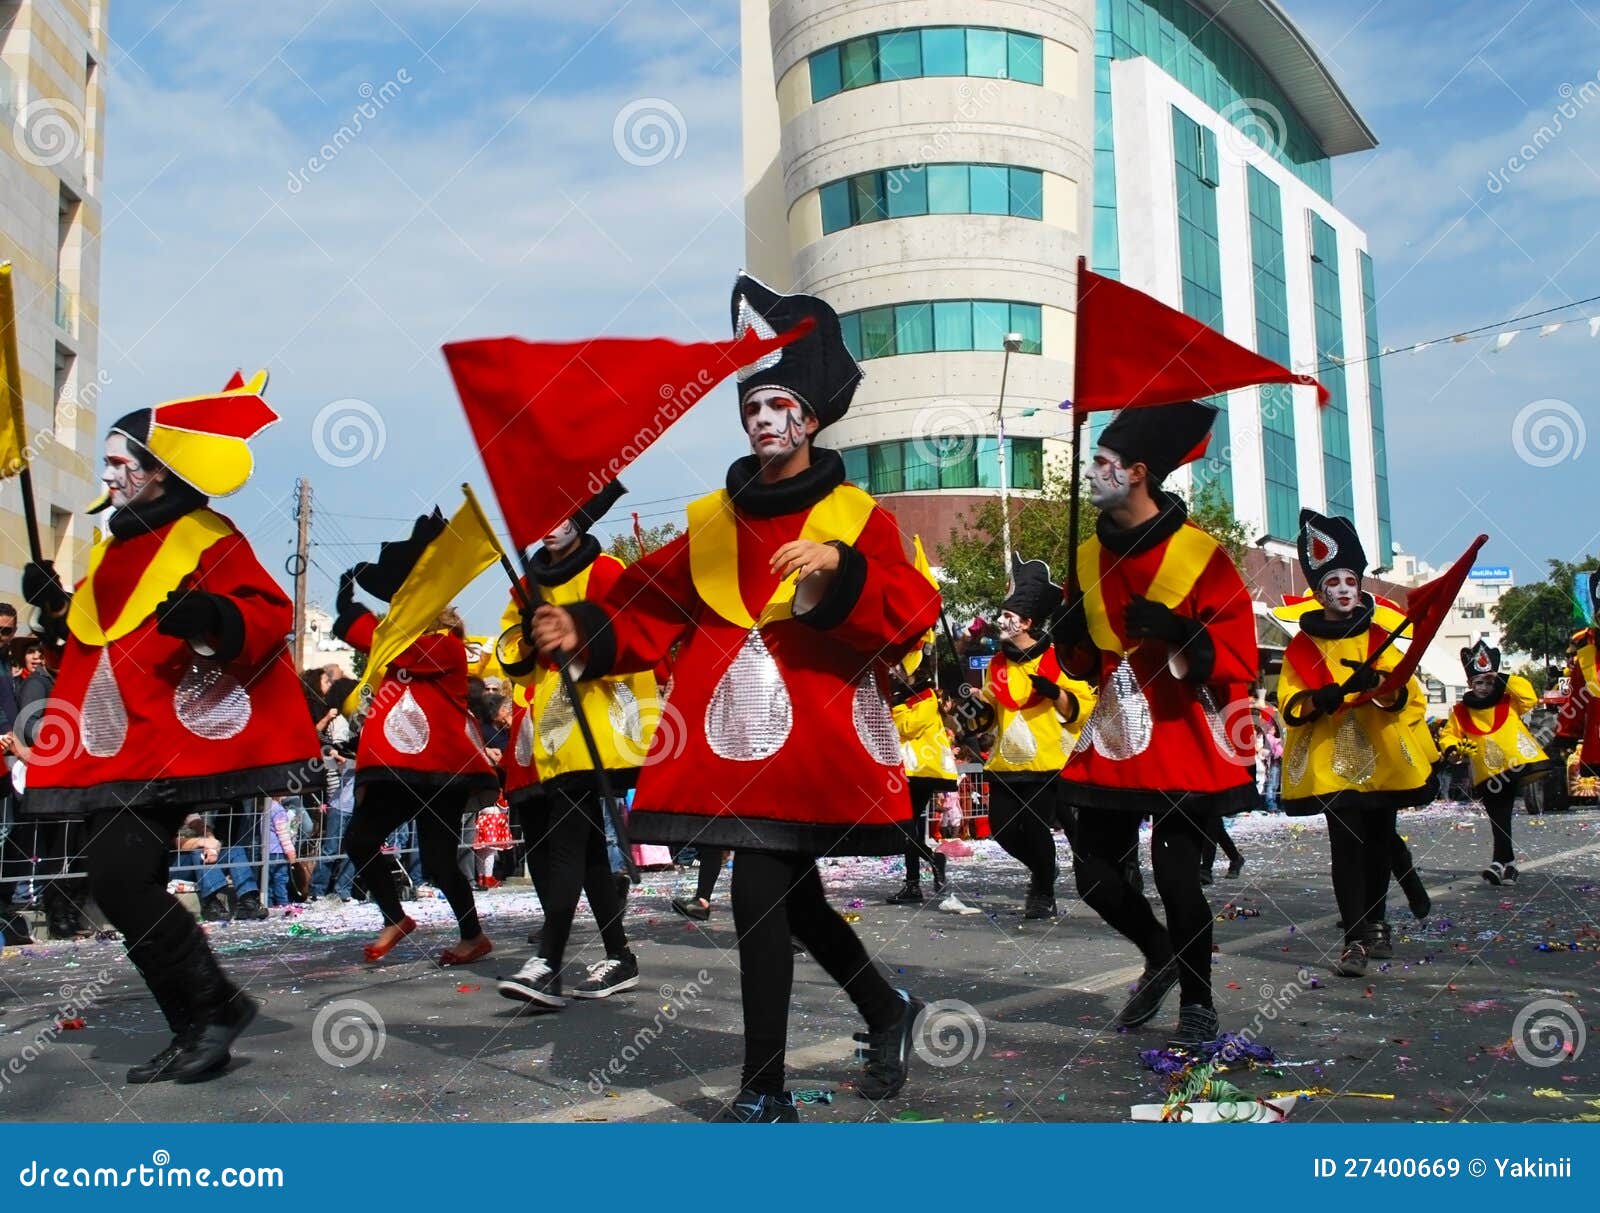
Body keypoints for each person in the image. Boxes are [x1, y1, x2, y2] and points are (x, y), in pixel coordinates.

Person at [531, 273, 942, 1121]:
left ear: (813, 418)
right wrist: (583, 631)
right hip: (728, 747)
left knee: (765, 892)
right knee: (789, 897)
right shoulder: (713, 519)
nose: (762, 418)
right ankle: (877, 1011)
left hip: (816, 738)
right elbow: (648, 603)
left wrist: (841, 567)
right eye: (751, 404)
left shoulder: (857, 514)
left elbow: (912, 609)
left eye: (779, 401)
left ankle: (766, 1090)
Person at [17, 370, 320, 1083]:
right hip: (110, 744)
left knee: (119, 879)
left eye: (124, 461)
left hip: (170, 739)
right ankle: (195, 1025)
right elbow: (99, 644)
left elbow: (266, 614)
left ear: (159, 472)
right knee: (126, 882)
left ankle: (216, 1007)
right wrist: (56, 608)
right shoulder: (109, 546)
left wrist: (214, 618)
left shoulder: (204, 533)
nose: (111, 473)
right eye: (110, 462)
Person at [1053, 400, 1259, 1047]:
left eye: (1104, 464)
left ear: (1138, 472)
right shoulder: (1086, 556)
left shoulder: (1199, 552)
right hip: (1114, 736)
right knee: (1093, 875)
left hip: (1180, 737)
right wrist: (1069, 639)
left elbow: (1238, 654)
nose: (1092, 474)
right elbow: (1086, 664)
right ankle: (1160, 953)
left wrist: (1183, 635)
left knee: (1176, 878)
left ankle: (1198, 1000)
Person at [493, 482, 655, 1008]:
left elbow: (636, 635)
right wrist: (524, 636)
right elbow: (512, 659)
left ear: (581, 519)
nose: (549, 523)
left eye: (560, 513)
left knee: (566, 841)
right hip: (558, 729)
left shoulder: (606, 571)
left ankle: (549, 961)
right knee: (583, 851)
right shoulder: (526, 583)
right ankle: (620, 956)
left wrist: (578, 638)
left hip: (603, 727)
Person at [1275, 510, 1436, 977]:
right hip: (1331, 763)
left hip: (1382, 759)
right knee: (1345, 846)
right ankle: (1355, 936)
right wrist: (1318, 699)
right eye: (1333, 582)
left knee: (1379, 842)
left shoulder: (1383, 638)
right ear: (1319, 590)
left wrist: (1381, 685)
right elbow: (1289, 702)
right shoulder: (1299, 649)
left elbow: (1412, 698)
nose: (1344, 589)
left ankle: (1379, 921)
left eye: (1350, 579)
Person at [334, 521, 500, 965]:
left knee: (441, 863)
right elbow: (386, 655)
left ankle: (473, 935)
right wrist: (351, 616)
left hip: (442, 770)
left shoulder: (446, 646)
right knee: (360, 839)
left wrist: (353, 617)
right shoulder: (397, 640)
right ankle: (395, 917)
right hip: (400, 769)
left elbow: (402, 652)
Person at [982, 555, 1095, 918]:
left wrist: (1055, 693)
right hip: (1005, 761)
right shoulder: (996, 665)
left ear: (1027, 622)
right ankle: (1044, 869)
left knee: (1034, 827)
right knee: (1002, 831)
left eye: (1008, 616)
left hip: (1046, 761)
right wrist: (968, 710)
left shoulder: (1058, 658)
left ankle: (1043, 890)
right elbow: (988, 713)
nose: (1001, 621)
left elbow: (1086, 704)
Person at [1438, 641, 1556, 885]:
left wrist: (1500, 676)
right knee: (1498, 815)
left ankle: (1499, 863)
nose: (1484, 687)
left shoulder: (1507, 702)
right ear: (1470, 684)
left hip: (1513, 764)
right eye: (1479, 682)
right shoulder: (1460, 711)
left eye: (1489, 682)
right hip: (1485, 771)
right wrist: (1452, 748)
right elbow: (1449, 734)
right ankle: (1507, 863)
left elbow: (1528, 695)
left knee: (1500, 812)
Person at [883, 645, 956, 905]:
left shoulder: (926, 696)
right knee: (907, 827)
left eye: (900, 666)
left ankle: (916, 879)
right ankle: (920, 875)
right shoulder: (901, 696)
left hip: (921, 770)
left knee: (907, 827)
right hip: (905, 769)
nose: (894, 671)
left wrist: (896, 708)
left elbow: (907, 727)